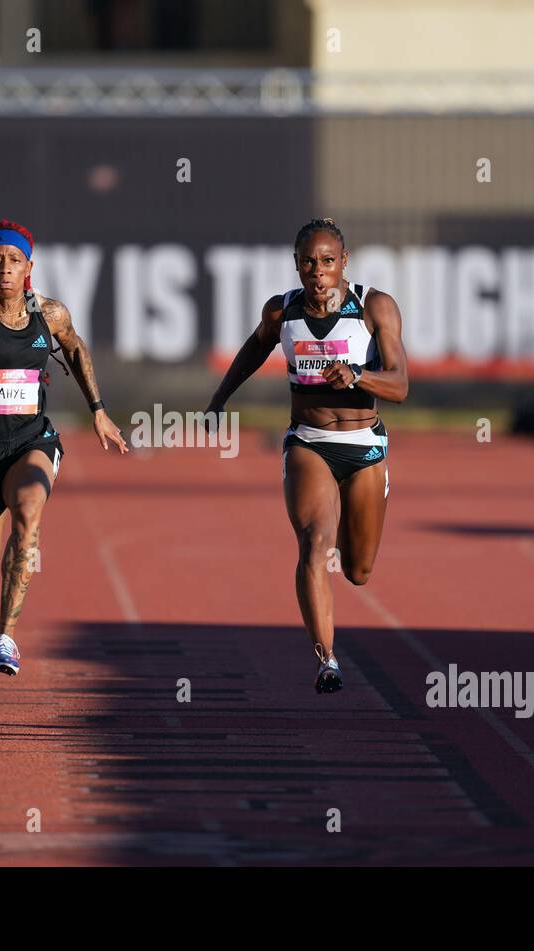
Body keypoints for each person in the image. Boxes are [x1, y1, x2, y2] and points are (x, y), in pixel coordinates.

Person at [208, 218, 409, 693]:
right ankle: (327, 660)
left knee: (358, 571)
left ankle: (344, 560)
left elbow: (400, 384)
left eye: (327, 262)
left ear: (344, 263)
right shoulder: (283, 312)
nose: (317, 272)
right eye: (307, 263)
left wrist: (358, 376)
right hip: (309, 444)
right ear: (296, 265)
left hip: (364, 447)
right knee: (316, 543)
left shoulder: (374, 307)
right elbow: (253, 350)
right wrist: (219, 399)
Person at [0, 220, 127, 676]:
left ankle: (8, 637)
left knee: (29, 513)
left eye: (14, 260)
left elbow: (74, 347)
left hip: (31, 440)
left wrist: (97, 408)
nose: (5, 268)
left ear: (29, 266)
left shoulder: (48, 312)